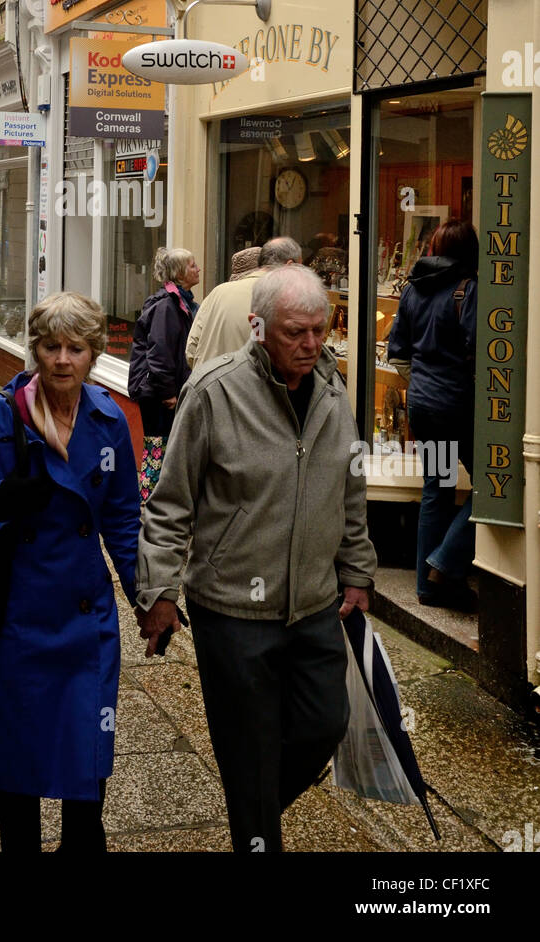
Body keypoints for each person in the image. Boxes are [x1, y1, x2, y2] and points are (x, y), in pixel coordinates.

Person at [136, 264, 377, 853]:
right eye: (296, 332)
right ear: (258, 327)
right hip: (232, 607)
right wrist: (160, 591)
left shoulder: (331, 386)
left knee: (325, 723)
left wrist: (358, 568)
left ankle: (255, 809)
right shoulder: (215, 391)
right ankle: (257, 835)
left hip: (314, 602)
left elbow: (347, 486)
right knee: (248, 748)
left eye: (321, 329)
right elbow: (170, 502)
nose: (312, 344)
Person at [0, 292, 140, 854]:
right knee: (18, 763)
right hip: (14, 617)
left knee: (86, 762)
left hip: (85, 617)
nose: (63, 360)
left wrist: (150, 596)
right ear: (35, 351)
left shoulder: (108, 421)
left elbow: (121, 517)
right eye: (51, 347)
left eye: (76, 348)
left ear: (94, 354)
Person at [387, 219, 478, 612]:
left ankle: (427, 588)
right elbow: (480, 353)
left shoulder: (414, 289)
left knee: (436, 491)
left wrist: (422, 384)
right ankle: (445, 561)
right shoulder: (467, 290)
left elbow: (398, 353)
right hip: (458, 407)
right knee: (494, 486)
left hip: (423, 407)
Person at [128, 246, 200, 502]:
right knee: (157, 446)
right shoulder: (167, 307)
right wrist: (168, 393)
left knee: (163, 446)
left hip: (162, 390)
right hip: (158, 393)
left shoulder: (180, 302)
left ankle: (158, 499)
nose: (198, 268)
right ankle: (149, 500)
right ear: (180, 273)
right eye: (192, 265)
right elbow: (159, 354)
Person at [185, 237, 302, 369]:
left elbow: (191, 350)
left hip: (205, 384)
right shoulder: (283, 300)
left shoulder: (217, 292)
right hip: (247, 387)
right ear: (290, 266)